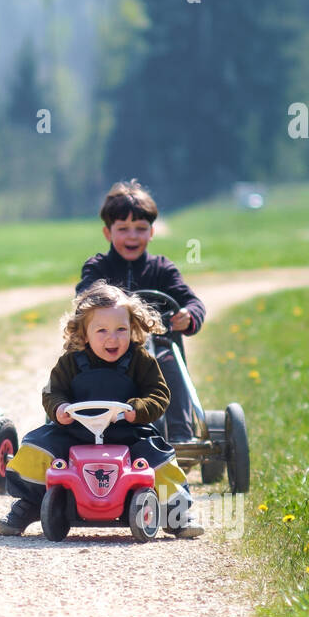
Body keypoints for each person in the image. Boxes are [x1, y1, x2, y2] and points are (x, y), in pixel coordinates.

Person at [0, 282, 202, 537]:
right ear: (84, 333)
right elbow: (52, 391)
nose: (112, 338)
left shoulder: (141, 360)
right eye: (101, 330)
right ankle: (29, 504)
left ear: (133, 328)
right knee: (35, 448)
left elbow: (159, 394)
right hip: (75, 432)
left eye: (121, 329)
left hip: (128, 432)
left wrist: (136, 410)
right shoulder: (71, 360)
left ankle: (176, 514)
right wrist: (60, 408)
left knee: (161, 461)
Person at [77, 179, 207, 443]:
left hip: (158, 347)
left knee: (168, 364)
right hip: (108, 347)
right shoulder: (98, 268)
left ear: (151, 232)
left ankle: (180, 434)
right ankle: (94, 428)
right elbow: (84, 298)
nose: (132, 236)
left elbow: (192, 302)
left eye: (140, 228)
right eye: (123, 229)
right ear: (107, 233)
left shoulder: (162, 269)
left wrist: (188, 316)